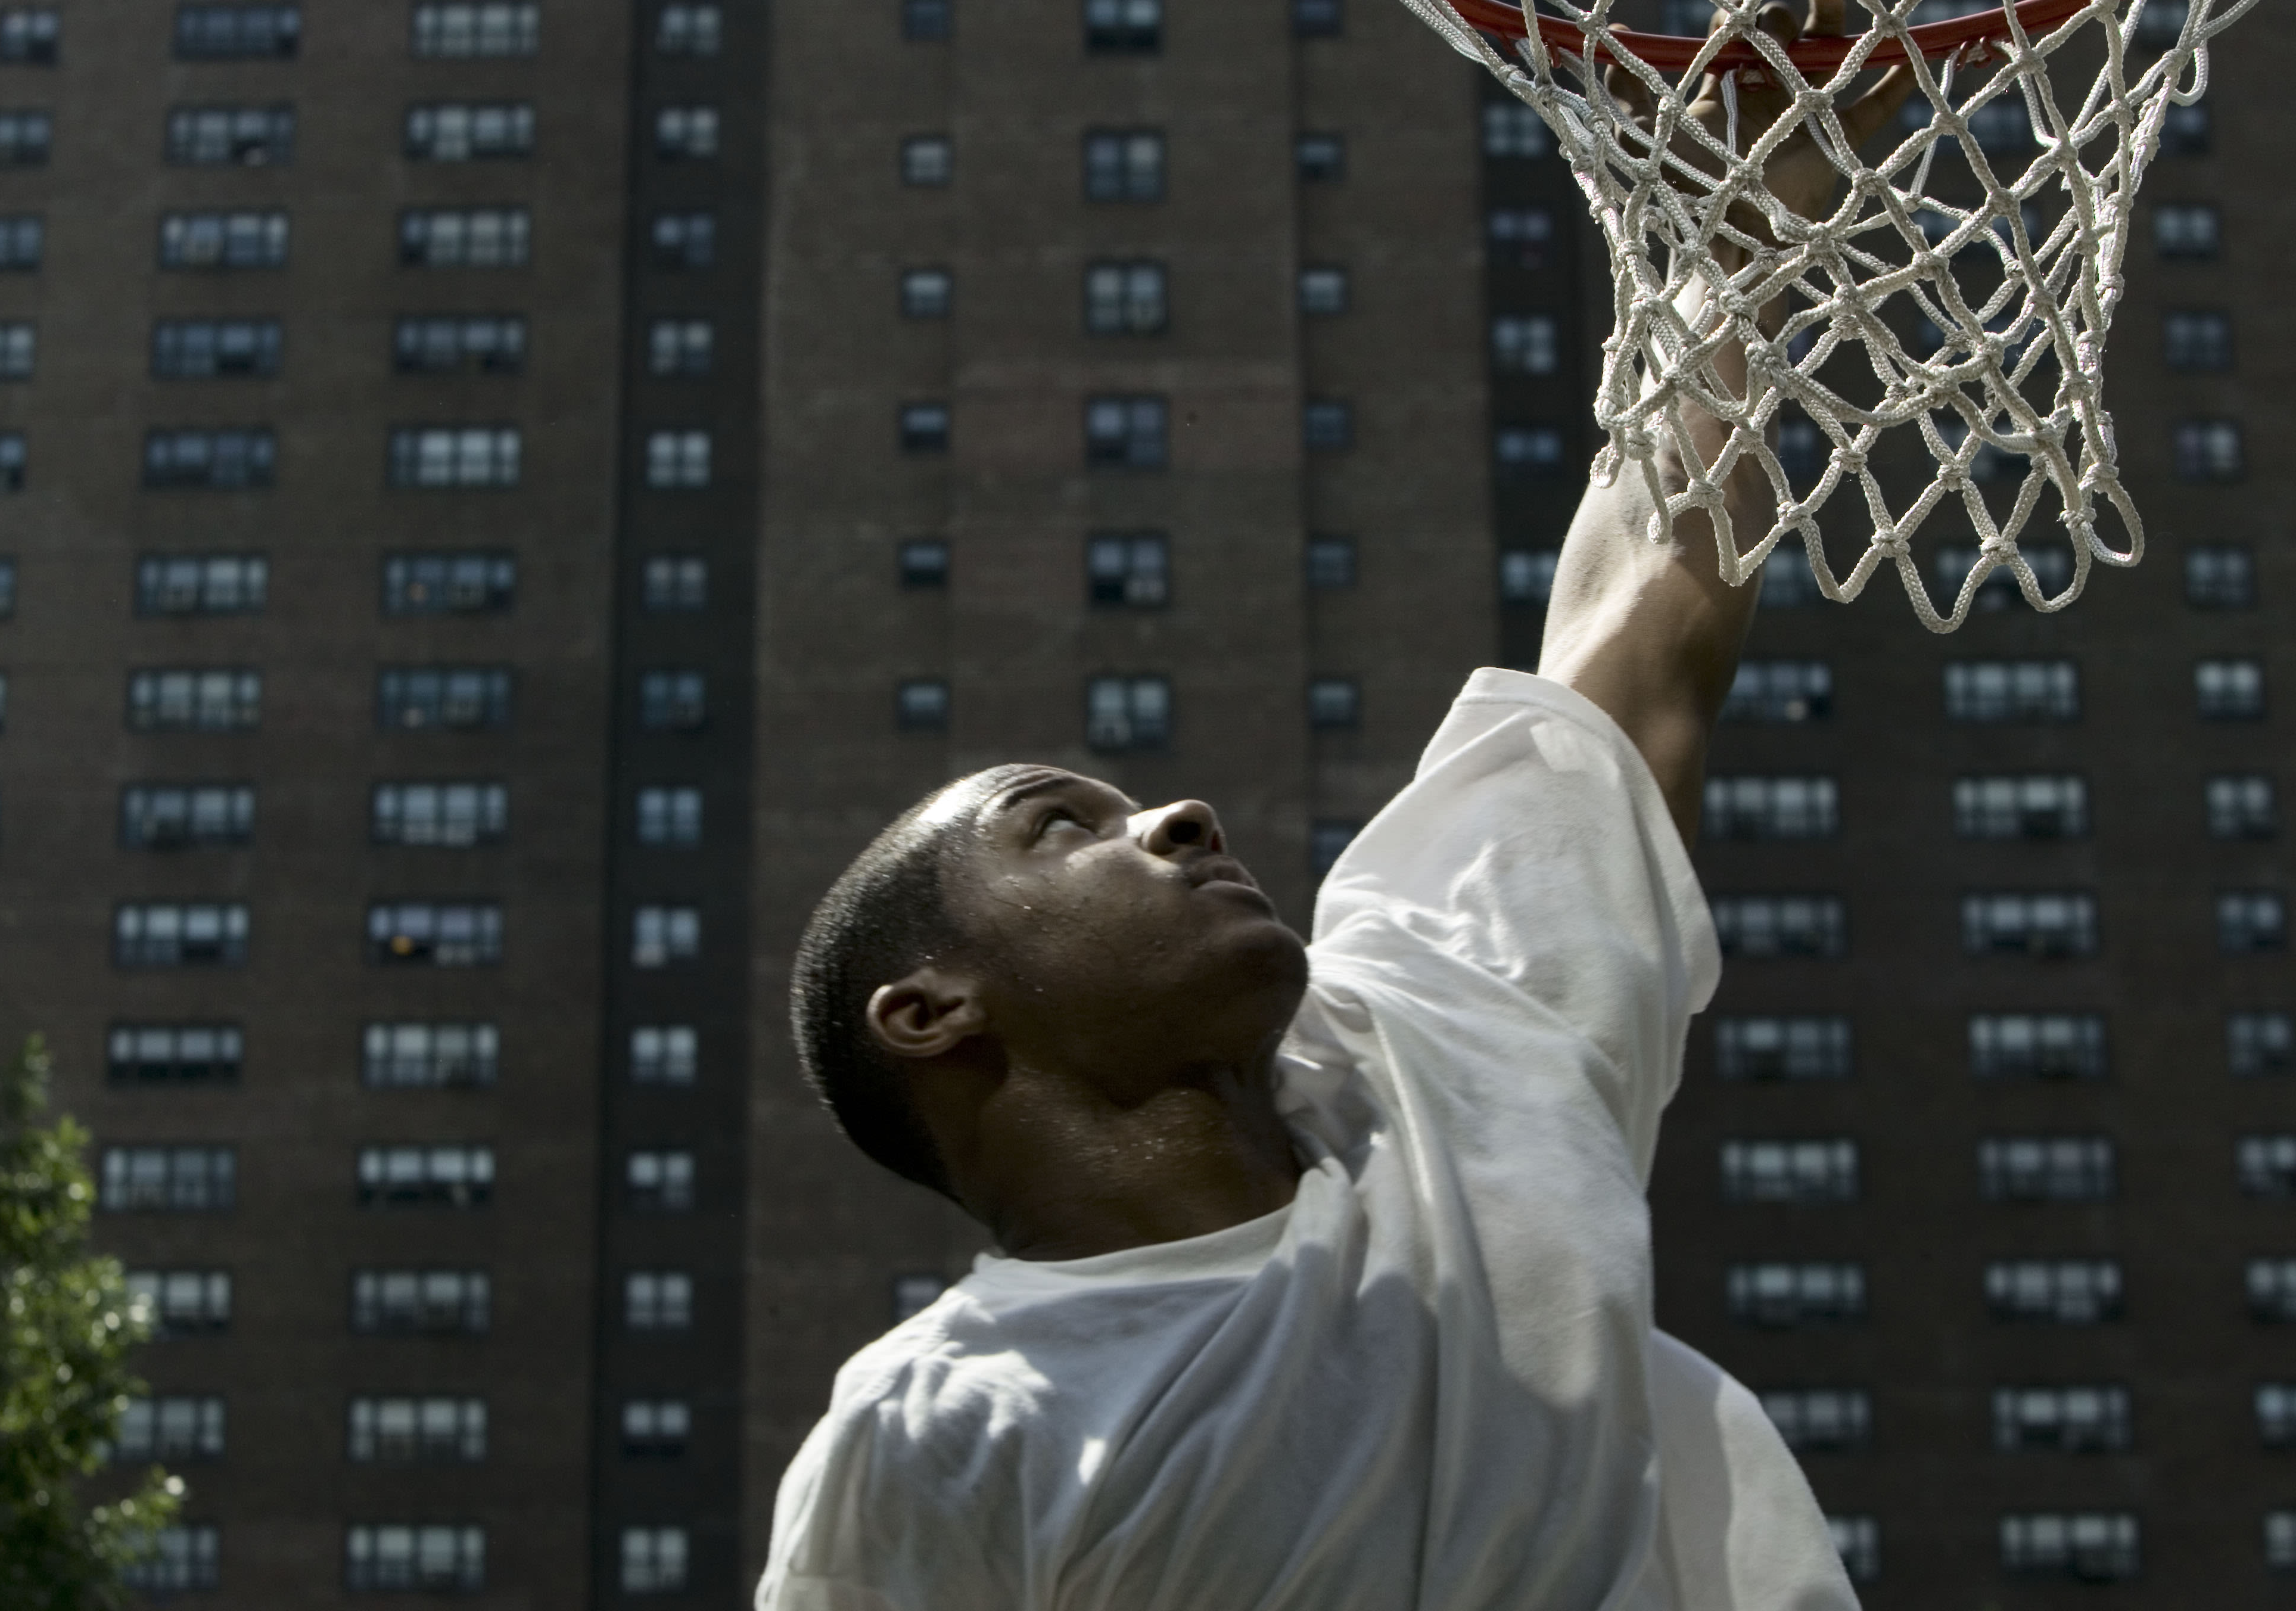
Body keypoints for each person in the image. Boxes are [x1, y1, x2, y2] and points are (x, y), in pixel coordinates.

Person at [760, 5, 1911, 1605]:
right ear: (928, 1008)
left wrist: (1756, 217)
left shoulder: (1436, 1052)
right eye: (1060, 828)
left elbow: (1634, 650)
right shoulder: (935, 1428)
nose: (1174, 819)